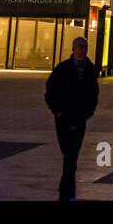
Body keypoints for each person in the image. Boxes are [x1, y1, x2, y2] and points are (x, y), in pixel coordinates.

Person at [44, 36, 100, 201]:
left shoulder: (90, 69)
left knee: (71, 156)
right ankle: (68, 193)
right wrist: (57, 111)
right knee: (69, 155)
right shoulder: (63, 69)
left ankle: (67, 193)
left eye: (85, 47)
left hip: (79, 118)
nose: (83, 50)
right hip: (64, 118)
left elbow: (94, 93)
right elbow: (50, 90)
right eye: (81, 47)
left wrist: (88, 112)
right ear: (73, 49)